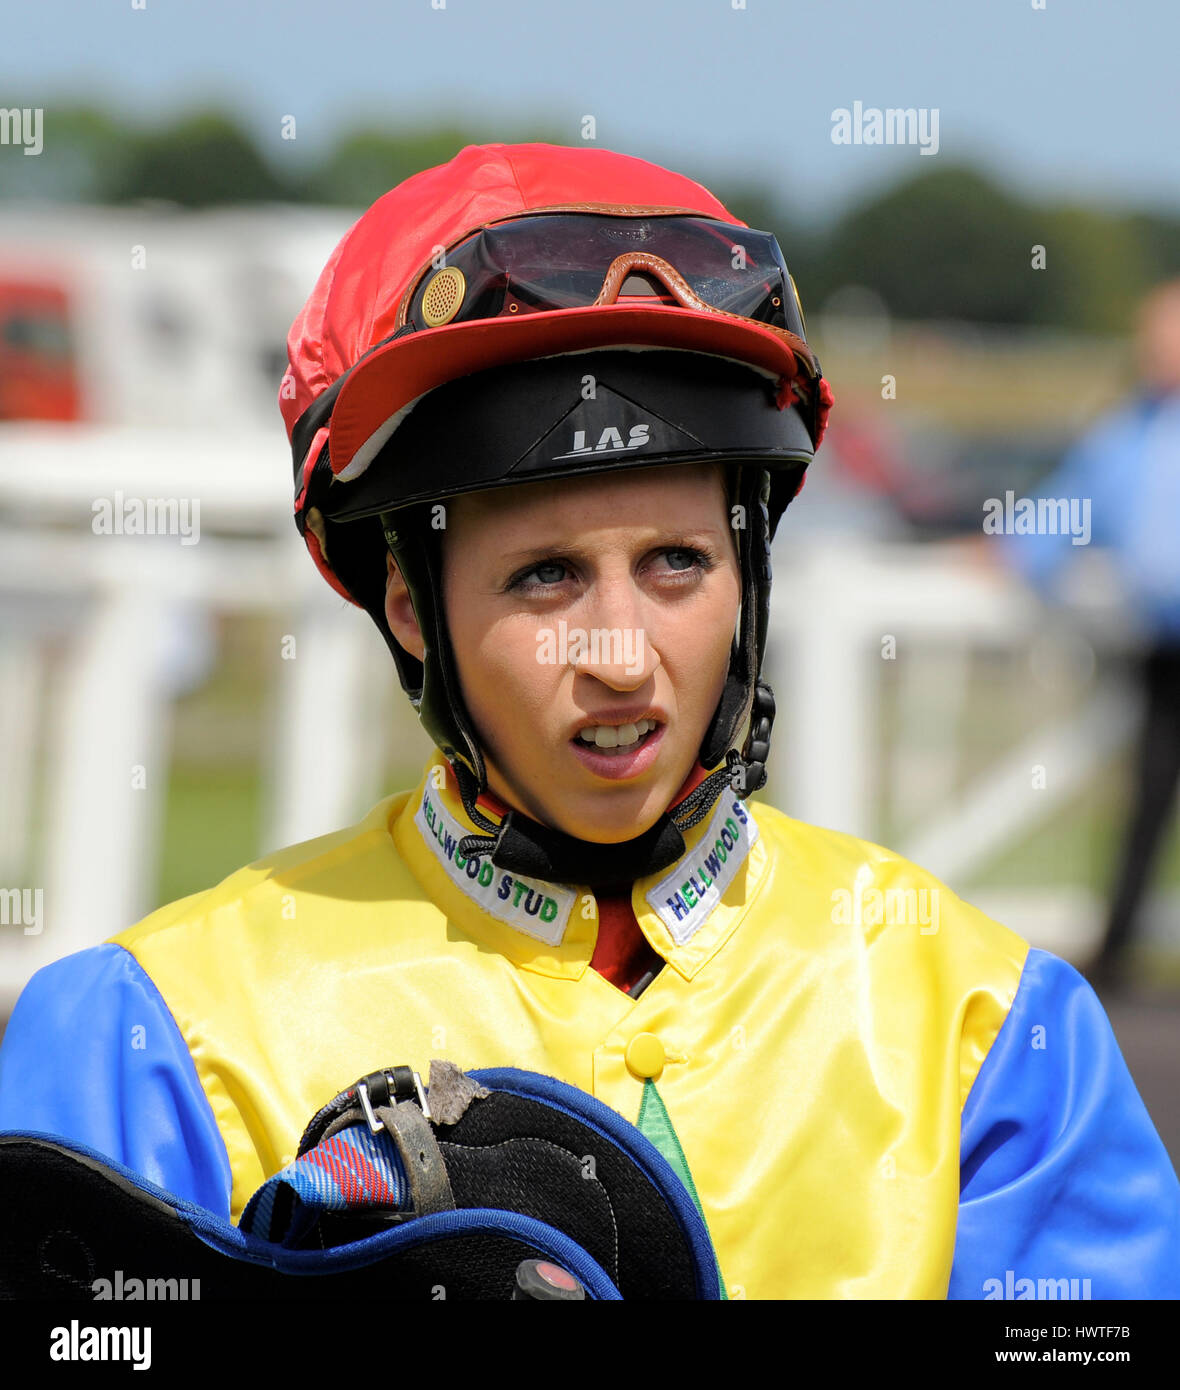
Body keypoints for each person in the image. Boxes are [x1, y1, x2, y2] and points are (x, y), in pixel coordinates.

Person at [1, 142, 1178, 1300]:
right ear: (412, 608)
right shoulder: (148, 1038)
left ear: (749, 574)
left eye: (676, 561)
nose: (621, 654)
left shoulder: (995, 1030)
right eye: (544, 577)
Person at [1004, 279, 1180, 992]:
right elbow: (1063, 512)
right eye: (1153, 335)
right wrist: (1006, 547)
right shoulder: (1128, 432)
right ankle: (1118, 958)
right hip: (1165, 649)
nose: (1157, 349)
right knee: (1147, 803)